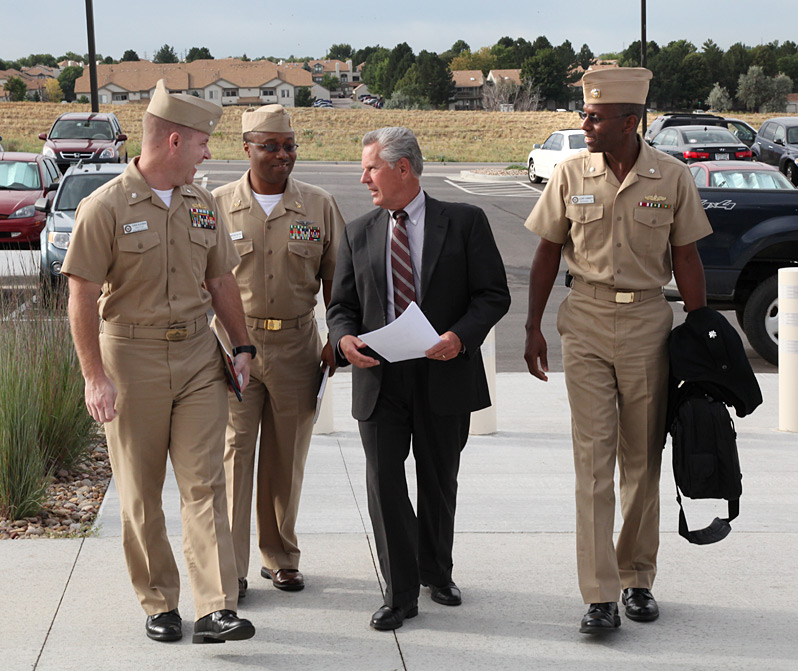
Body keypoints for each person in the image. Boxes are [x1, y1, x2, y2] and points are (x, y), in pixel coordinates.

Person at [62, 80, 256, 645]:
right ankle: (160, 602)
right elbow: (80, 295)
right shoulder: (106, 207)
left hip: (198, 355)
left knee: (204, 483)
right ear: (173, 141)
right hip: (131, 357)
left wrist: (241, 346)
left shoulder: (203, 206)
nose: (208, 154)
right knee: (140, 492)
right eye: (202, 144)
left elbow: (221, 281)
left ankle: (217, 606)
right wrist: (94, 376)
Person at [523, 68, 712, 634]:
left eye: (595, 117)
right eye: (585, 114)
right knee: (593, 461)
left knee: (642, 460)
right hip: (583, 320)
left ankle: (636, 578)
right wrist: (532, 326)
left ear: (631, 122)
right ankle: (600, 593)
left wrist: (702, 333)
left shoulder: (672, 177)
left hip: (648, 323)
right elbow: (546, 253)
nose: (585, 124)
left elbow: (687, 260)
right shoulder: (570, 174)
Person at [327, 127, 510, 631]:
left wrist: (460, 336)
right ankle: (400, 592)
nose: (364, 178)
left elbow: (493, 295)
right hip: (379, 379)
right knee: (384, 483)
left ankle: (437, 571)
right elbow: (341, 306)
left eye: (371, 168)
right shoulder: (358, 231)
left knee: (437, 481)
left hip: (444, 374)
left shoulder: (466, 222)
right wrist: (343, 339)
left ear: (402, 168)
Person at [212, 104, 344, 598]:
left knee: (286, 458)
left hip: (296, 346)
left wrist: (337, 334)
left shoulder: (319, 204)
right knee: (233, 457)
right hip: (234, 348)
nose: (282, 155)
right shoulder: (218, 204)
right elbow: (202, 278)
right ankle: (232, 569)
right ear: (246, 147)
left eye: (289, 146)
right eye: (270, 146)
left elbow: (337, 277)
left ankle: (281, 557)